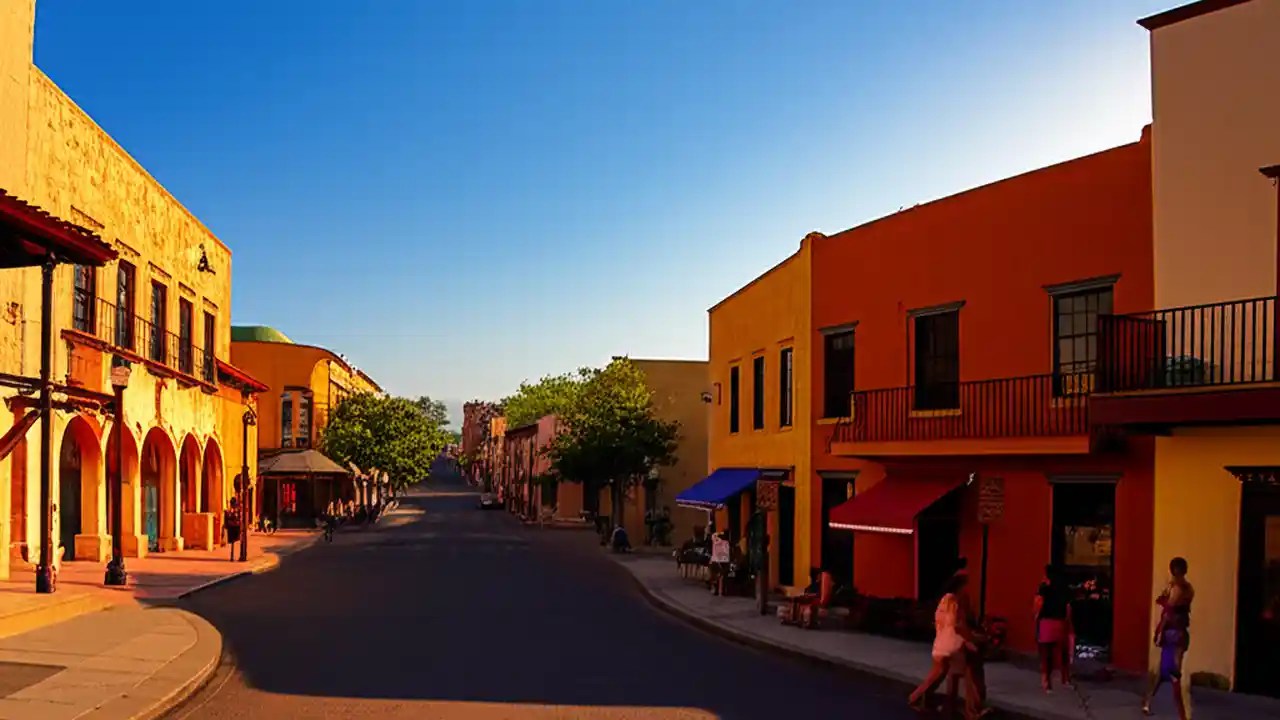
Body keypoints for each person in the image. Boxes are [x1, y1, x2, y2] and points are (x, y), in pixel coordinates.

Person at [910, 574, 984, 718]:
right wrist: (973, 640)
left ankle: (921, 699)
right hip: (954, 646)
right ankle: (972, 711)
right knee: (970, 672)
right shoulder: (954, 602)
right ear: (960, 587)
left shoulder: (943, 601)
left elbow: (942, 624)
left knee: (940, 675)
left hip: (941, 645)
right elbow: (958, 626)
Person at [1143, 557, 1194, 719]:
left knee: (1170, 673)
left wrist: (1159, 631)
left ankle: (1179, 712)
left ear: (1172, 570)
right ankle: (1178, 712)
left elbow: (1168, 611)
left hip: (1171, 632)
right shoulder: (1188, 588)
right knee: (1169, 672)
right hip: (1181, 633)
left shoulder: (1177, 588)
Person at [1035, 564, 1073, 692]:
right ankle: (1065, 678)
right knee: (1063, 653)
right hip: (1060, 622)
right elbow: (1068, 608)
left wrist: (1036, 617)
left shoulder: (1044, 588)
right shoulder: (1064, 589)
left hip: (1046, 622)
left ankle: (1046, 683)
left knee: (1046, 654)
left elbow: (1038, 604)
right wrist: (1068, 623)